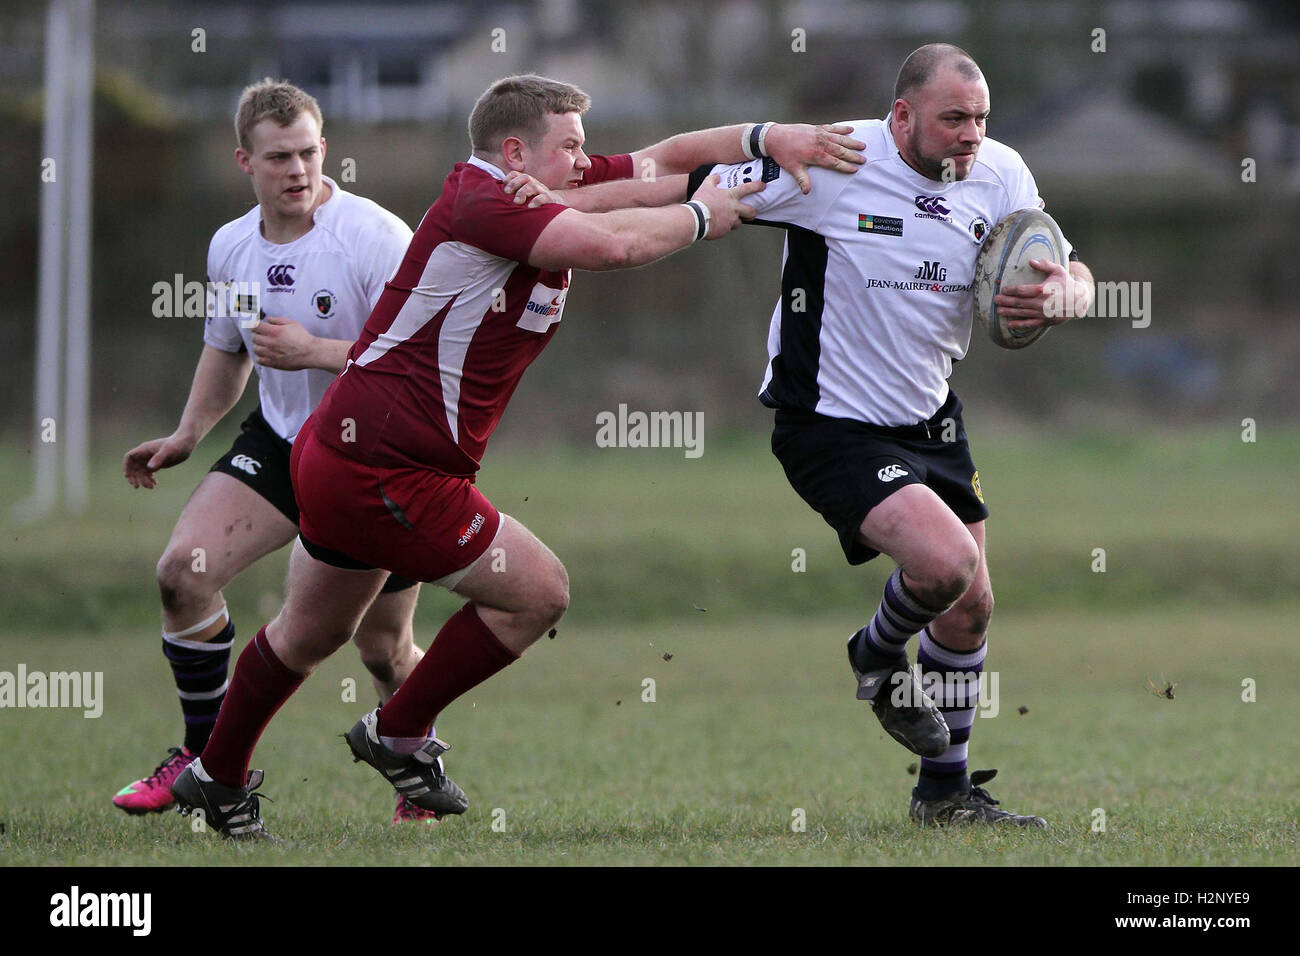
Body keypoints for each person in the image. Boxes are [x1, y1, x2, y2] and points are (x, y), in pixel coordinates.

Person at [168, 73, 867, 838]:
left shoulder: (536, 182)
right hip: (385, 464)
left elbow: (660, 158)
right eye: (570, 146)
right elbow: (615, 245)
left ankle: (218, 778)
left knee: (307, 635)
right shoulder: (483, 200)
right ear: (513, 151)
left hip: (350, 450)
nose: (584, 158)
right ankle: (397, 733)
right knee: (538, 592)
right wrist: (704, 216)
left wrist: (770, 140)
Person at [691, 44, 1095, 827]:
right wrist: (564, 204)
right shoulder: (832, 158)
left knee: (970, 604)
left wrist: (1060, 299)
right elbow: (687, 186)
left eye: (980, 117)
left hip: (932, 419)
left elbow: (1069, 270)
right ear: (901, 115)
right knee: (945, 565)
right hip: (830, 424)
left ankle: (943, 795)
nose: (971, 133)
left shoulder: (1001, 172)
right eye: (954, 118)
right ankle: (875, 653)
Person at [117, 79, 439, 823]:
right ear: (245, 161)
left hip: (374, 454)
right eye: (278, 158)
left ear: (325, 149)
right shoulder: (231, 246)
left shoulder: (374, 237)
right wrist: (188, 433)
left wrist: (314, 350)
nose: (297, 170)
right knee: (181, 575)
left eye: (308, 153)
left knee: (383, 651)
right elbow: (226, 351)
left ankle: (415, 775)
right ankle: (205, 764)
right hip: (281, 444)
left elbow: (421, 359)